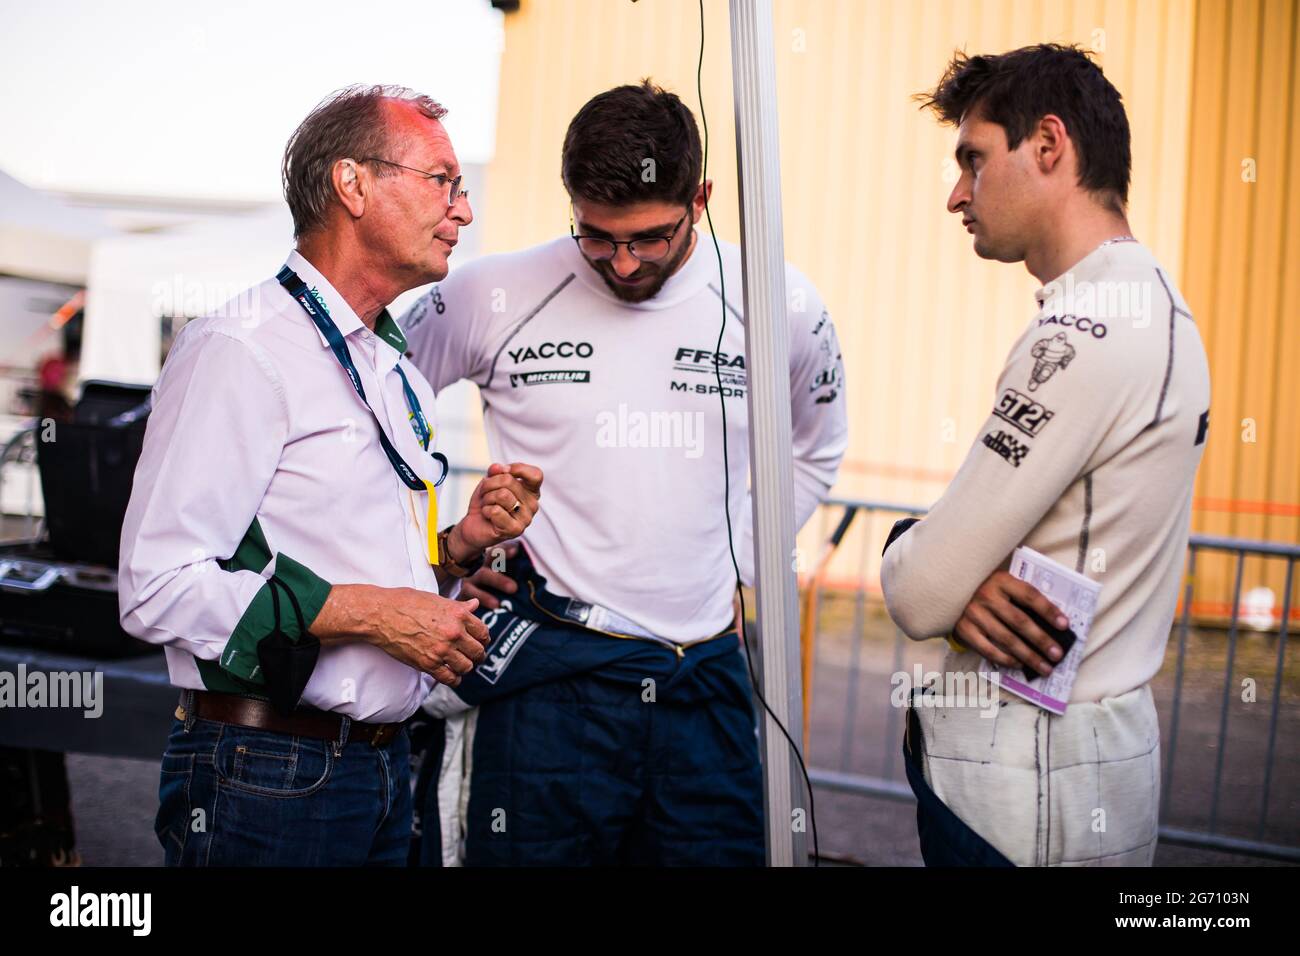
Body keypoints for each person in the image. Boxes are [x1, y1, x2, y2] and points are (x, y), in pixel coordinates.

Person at [399, 80, 848, 866]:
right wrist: (439, 560)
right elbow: (375, 415)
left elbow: (815, 447)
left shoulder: (780, 303)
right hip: (553, 677)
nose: (624, 260)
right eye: (596, 237)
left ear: (700, 200)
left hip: (704, 680)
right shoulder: (489, 292)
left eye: (650, 237)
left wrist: (731, 553)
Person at [118, 85, 542, 866]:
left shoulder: (394, 365)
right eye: (442, 181)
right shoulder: (240, 348)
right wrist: (376, 614)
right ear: (352, 184)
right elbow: (155, 588)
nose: (464, 211)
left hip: (379, 765)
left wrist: (457, 548)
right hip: (269, 773)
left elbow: (351, 555)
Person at [881, 44, 1210, 866]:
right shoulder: (1156, 305)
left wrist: (908, 554)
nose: (957, 194)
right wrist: (960, 582)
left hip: (1028, 785)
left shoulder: (1086, 330)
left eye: (973, 160)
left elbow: (921, 592)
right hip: (1079, 761)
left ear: (1049, 145)